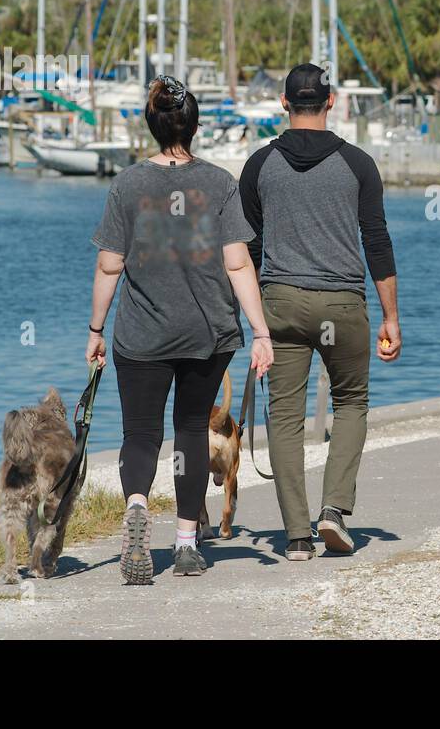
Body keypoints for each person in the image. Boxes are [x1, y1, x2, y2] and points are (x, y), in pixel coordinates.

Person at [86, 75, 273, 583]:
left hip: (140, 334)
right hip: (206, 333)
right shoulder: (219, 183)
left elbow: (110, 265)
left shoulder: (127, 185)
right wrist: (260, 331)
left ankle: (138, 505)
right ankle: (188, 544)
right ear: (193, 126)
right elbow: (238, 264)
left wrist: (96, 328)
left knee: (140, 433)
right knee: (191, 430)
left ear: (152, 124)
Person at [238, 63, 400, 561]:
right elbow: (376, 242)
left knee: (283, 418)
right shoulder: (359, 165)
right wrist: (392, 318)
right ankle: (333, 511)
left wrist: (252, 323)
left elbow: (246, 250)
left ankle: (296, 538)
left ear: (283, 103)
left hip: (281, 302)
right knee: (350, 403)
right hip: (342, 305)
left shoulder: (258, 166)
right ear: (330, 103)